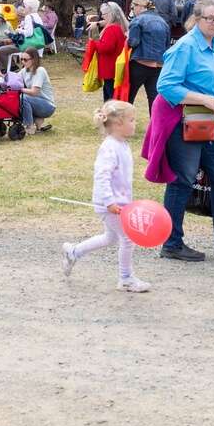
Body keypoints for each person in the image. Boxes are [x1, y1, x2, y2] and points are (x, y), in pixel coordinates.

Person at [145, 0, 214, 262]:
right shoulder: (185, 47)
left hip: (206, 121)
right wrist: (204, 99)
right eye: (209, 18)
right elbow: (166, 86)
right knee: (182, 178)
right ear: (197, 19)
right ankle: (172, 243)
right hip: (180, 119)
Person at [61, 99, 149, 292]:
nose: (135, 124)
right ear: (118, 124)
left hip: (119, 204)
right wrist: (110, 202)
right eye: (132, 120)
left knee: (110, 237)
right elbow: (102, 176)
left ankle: (74, 252)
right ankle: (125, 279)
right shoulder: (110, 147)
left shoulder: (122, 144)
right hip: (110, 205)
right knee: (128, 239)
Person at [127, 0, 171, 105]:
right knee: (154, 100)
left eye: (132, 8)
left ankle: (124, 121)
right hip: (158, 66)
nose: (133, 11)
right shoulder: (163, 22)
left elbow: (133, 42)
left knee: (129, 96)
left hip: (140, 63)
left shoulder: (137, 21)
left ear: (138, 6)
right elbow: (167, 46)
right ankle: (155, 123)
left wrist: (127, 37)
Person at [94, 2, 128, 101]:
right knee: (111, 94)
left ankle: (111, 115)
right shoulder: (120, 27)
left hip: (110, 68)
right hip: (115, 67)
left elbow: (106, 48)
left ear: (111, 14)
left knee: (111, 97)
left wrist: (94, 43)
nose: (102, 17)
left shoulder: (112, 28)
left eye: (103, 14)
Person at [17, 48, 56, 131]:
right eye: (21, 59)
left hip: (47, 106)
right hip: (36, 103)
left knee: (23, 98)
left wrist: (20, 89)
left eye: (25, 59)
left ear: (34, 60)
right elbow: (13, 79)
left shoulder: (40, 70)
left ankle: (29, 126)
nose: (23, 62)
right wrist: (2, 76)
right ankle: (37, 121)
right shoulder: (24, 71)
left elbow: (34, 92)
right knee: (18, 99)